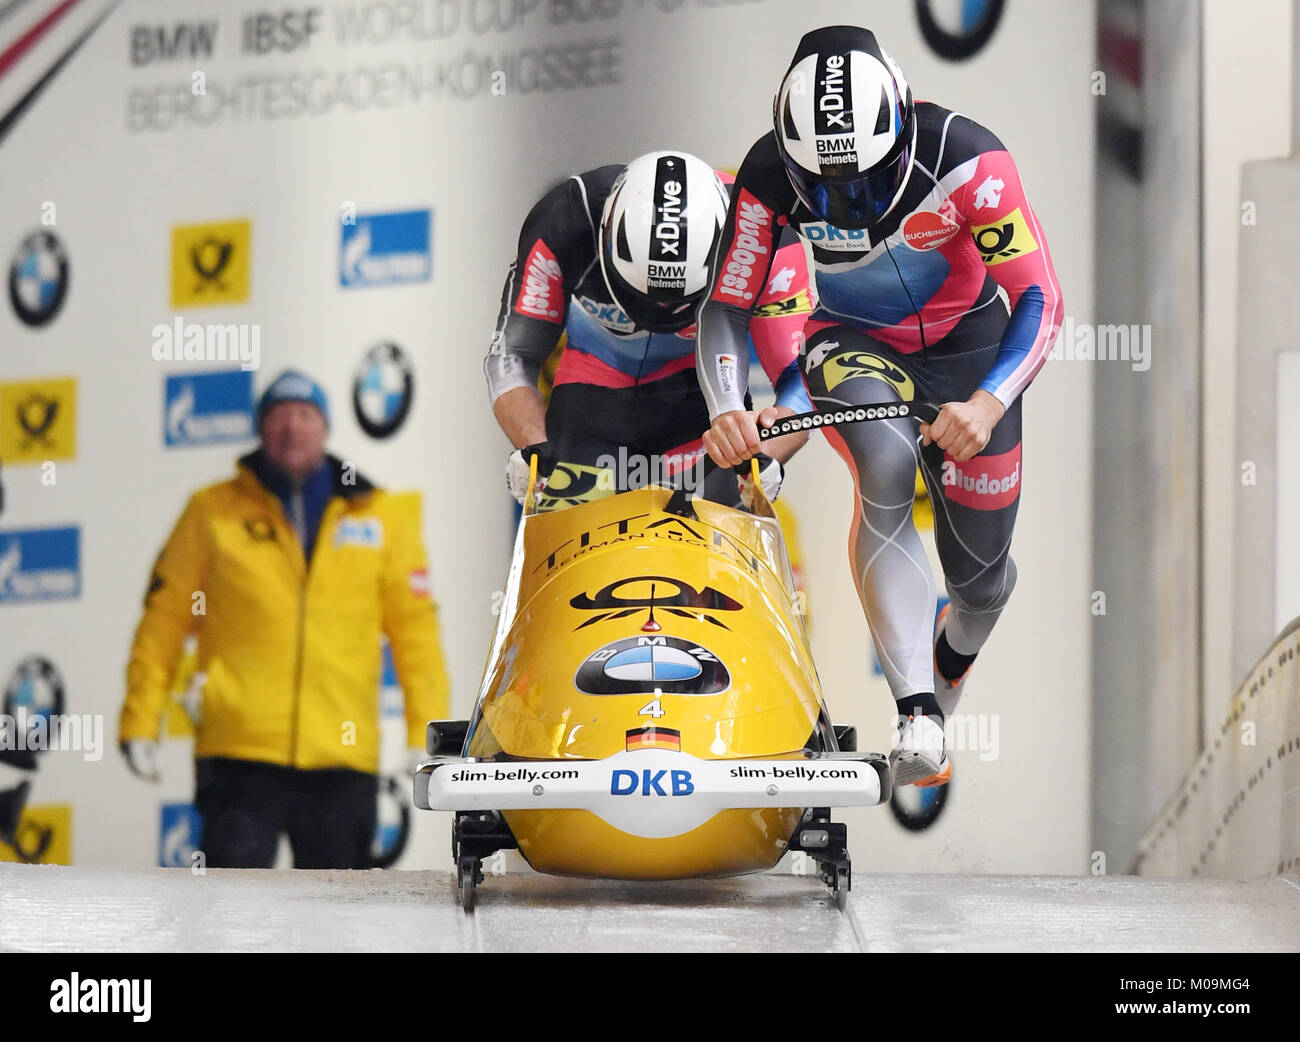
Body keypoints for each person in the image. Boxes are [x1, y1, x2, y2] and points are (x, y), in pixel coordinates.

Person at [697, 25, 1063, 787]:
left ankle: (947, 667)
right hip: (853, 340)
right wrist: (729, 403)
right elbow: (726, 305)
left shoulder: (966, 158)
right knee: (886, 468)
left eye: (866, 183)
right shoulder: (765, 175)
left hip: (970, 347)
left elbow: (1040, 295)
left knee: (981, 583)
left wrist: (991, 402)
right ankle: (918, 716)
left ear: (900, 131)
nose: (851, 208)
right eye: (828, 191)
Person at [118, 370, 450, 868]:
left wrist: (426, 728)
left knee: (339, 929)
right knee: (230, 926)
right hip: (239, 755)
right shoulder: (212, 512)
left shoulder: (378, 515)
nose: (291, 427)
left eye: (304, 415)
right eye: (277, 416)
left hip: (342, 758)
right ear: (260, 428)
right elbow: (163, 621)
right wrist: (141, 720)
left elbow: (415, 631)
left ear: (326, 428)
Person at [485, 150, 815, 510]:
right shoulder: (567, 219)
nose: (661, 311)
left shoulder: (761, 231)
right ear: (607, 236)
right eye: (645, 295)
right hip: (590, 407)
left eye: (680, 302)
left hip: (703, 421)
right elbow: (512, 354)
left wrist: (765, 452)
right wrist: (533, 444)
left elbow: (800, 376)